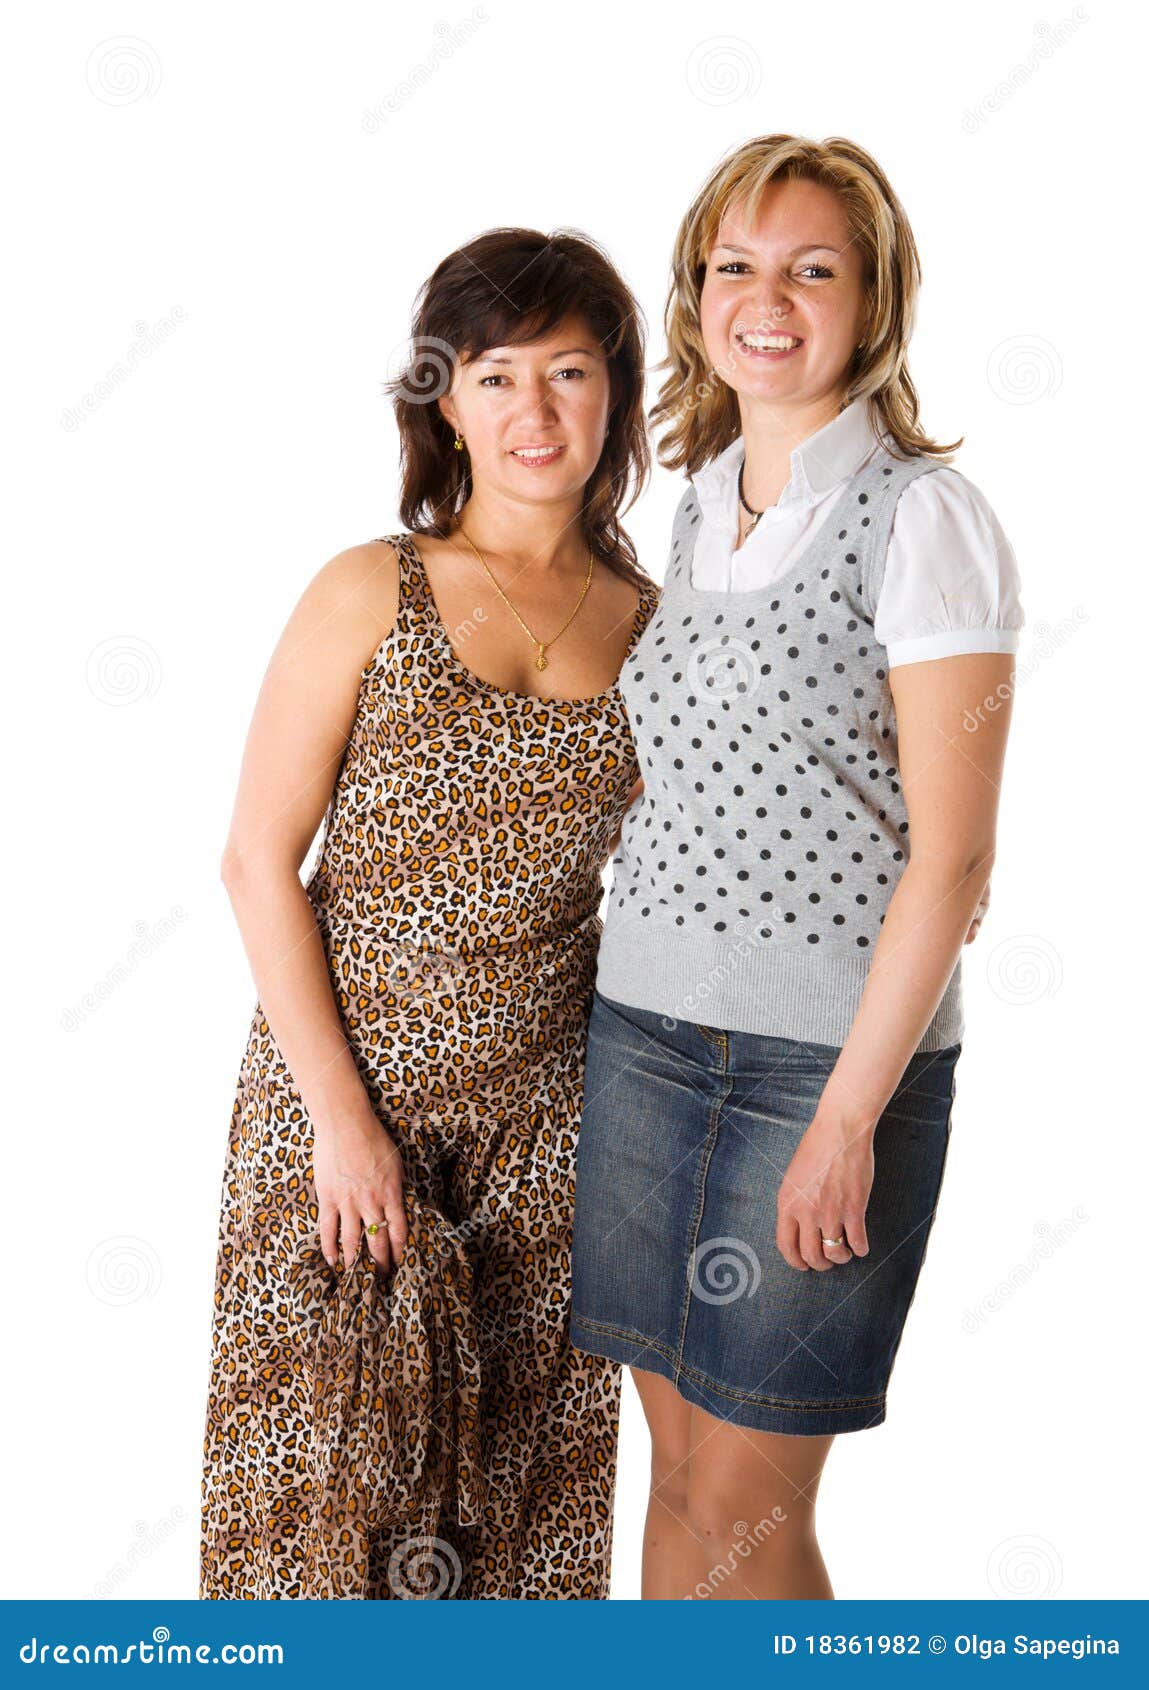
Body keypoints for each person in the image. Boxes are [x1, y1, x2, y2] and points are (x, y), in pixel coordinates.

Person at [570, 134, 1023, 1600]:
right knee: (680, 1478)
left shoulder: (925, 520)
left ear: (871, 300)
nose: (766, 300)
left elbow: (951, 864)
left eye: (810, 269)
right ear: (697, 293)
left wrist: (845, 1117)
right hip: (638, 1042)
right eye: (735, 268)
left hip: (819, 1073)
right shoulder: (692, 498)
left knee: (749, 1497)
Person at [199, 227, 660, 1599]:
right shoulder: (367, 588)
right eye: (497, 375)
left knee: (513, 1526)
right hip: (338, 1124)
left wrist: (933, 865)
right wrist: (347, 1131)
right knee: (324, 1517)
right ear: (442, 400)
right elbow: (254, 861)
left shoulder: (655, 626)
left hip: (549, 1144)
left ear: (616, 396)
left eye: (568, 373)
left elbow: (724, 840)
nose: (534, 413)